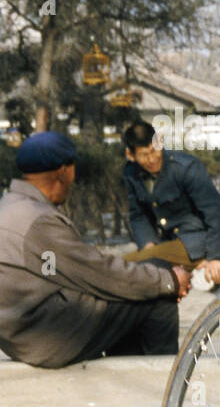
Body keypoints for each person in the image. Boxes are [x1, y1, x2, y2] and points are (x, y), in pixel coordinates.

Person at [0, 132, 190, 368]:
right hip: (47, 337)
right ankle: (161, 386)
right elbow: (99, 273)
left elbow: (72, 269)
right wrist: (170, 280)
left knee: (137, 286)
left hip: (20, 332)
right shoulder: (39, 221)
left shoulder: (9, 206)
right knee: (158, 291)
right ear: (63, 171)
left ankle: (128, 377)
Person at [121, 120, 220, 286]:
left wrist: (216, 257)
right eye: (144, 155)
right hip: (167, 244)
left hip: (199, 242)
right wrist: (148, 244)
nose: (152, 159)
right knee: (135, 269)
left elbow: (215, 210)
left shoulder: (185, 167)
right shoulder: (131, 173)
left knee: (125, 265)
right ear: (131, 155)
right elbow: (138, 215)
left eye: (154, 151)